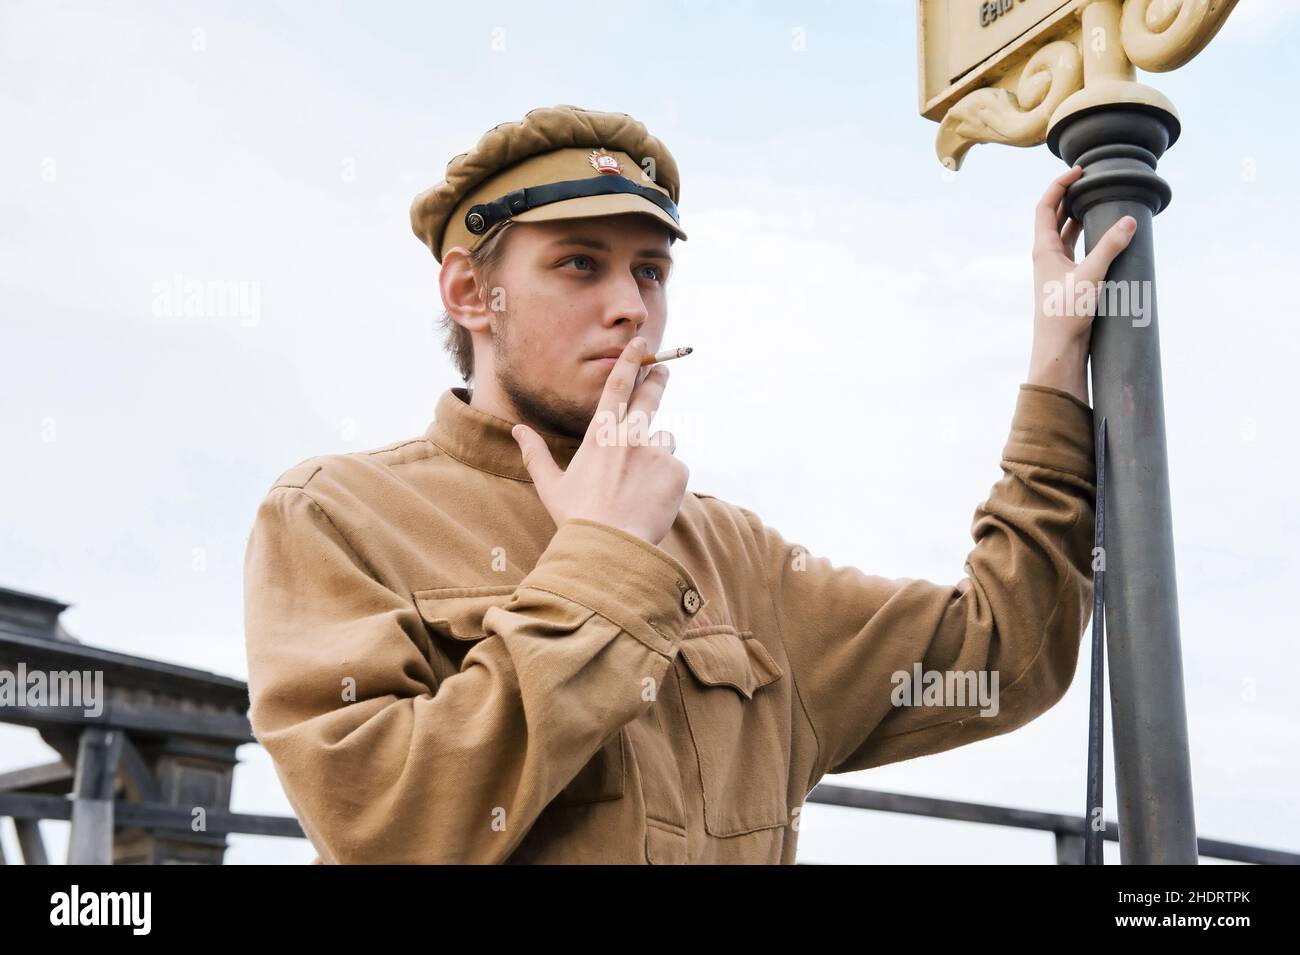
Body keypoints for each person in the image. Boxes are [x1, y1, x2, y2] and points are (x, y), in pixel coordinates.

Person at [242, 104, 1137, 864]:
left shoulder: (735, 554)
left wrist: (1057, 357)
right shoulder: (335, 514)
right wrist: (604, 561)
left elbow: (1007, 650)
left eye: (651, 270)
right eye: (580, 263)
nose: (631, 304)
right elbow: (382, 823)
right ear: (471, 294)